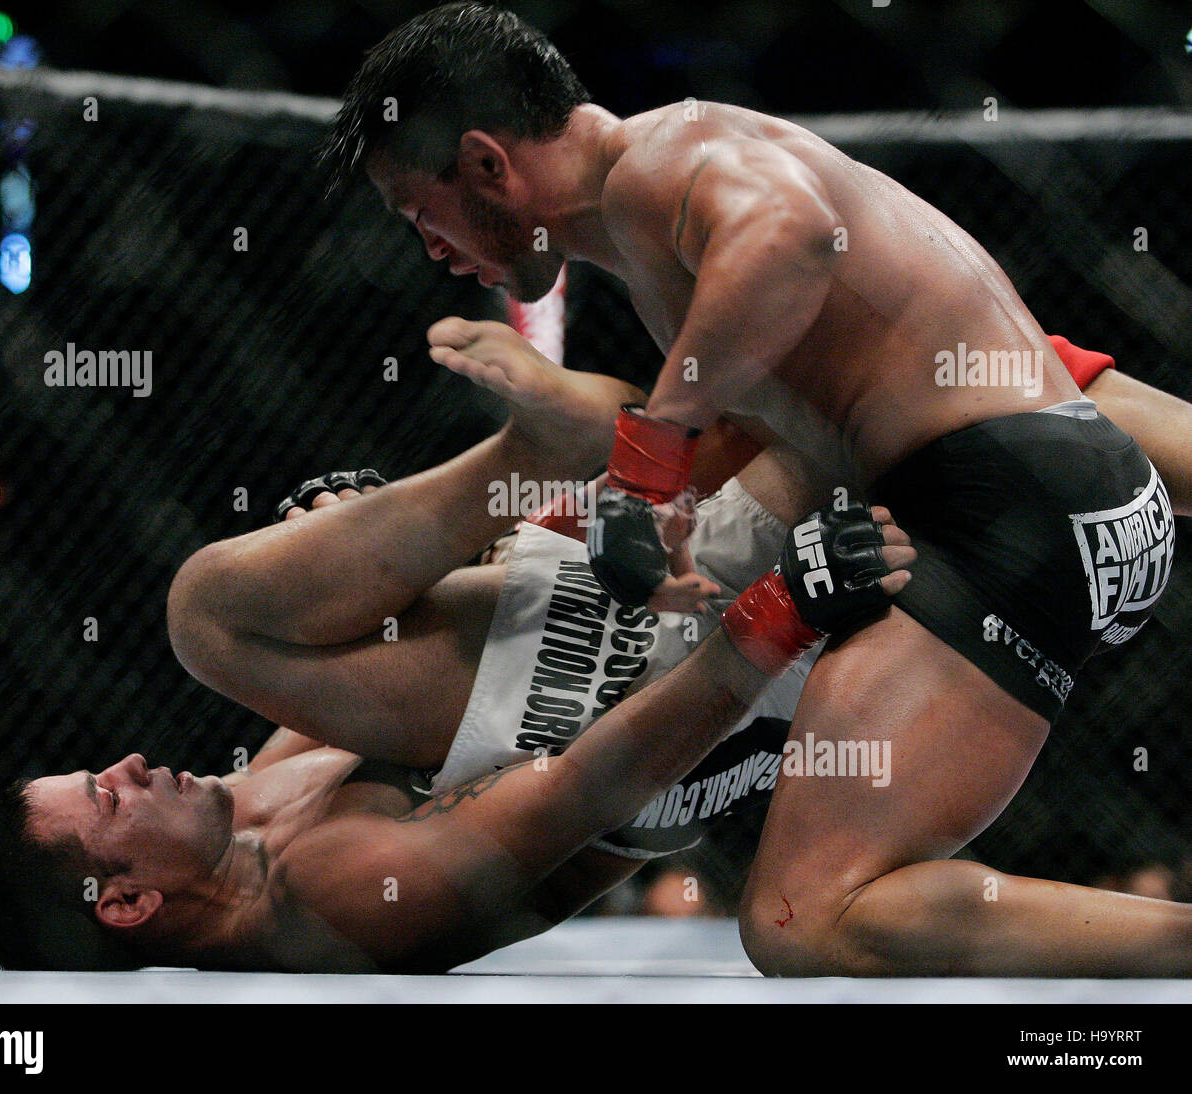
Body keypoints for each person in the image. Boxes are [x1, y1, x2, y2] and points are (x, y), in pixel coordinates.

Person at [324, 4, 1185, 974]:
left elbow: (792, 237)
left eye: (418, 212)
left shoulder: (661, 160)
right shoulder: (665, 206)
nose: (433, 251)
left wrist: (650, 461)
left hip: (1010, 491)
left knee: (802, 916)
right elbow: (791, 401)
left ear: (486, 163)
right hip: (1045, 494)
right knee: (802, 914)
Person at [0, 340, 912, 971]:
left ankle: (527, 458)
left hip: (572, 603)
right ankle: (526, 453)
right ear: (125, 903)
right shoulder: (335, 902)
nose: (127, 766)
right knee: (865, 396)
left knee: (818, 374)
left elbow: (381, 658)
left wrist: (353, 540)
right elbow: (591, 786)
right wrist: (782, 614)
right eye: (106, 798)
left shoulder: (249, 807)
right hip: (656, 702)